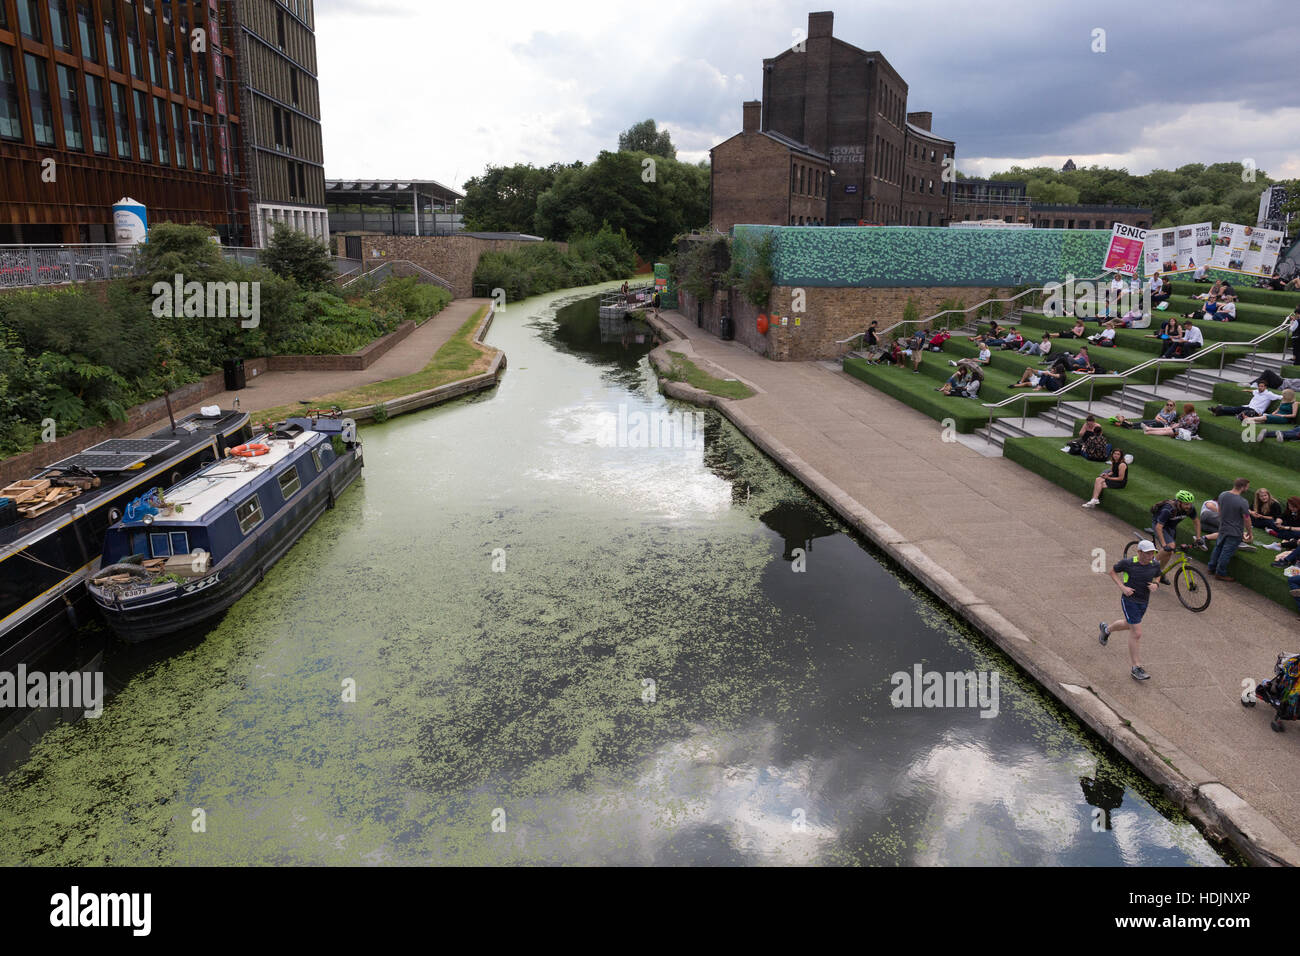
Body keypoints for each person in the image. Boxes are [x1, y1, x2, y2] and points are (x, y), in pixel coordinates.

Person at [1099, 539, 1162, 682]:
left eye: (1152, 553)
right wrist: (1123, 587)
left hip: (1144, 601)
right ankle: (1136, 667)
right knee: (1137, 632)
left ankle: (1106, 630)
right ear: (1139, 552)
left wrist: (1156, 584)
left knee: (1129, 624)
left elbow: (1158, 574)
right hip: (1129, 600)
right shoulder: (1128, 563)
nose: (1150, 556)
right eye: (1147, 553)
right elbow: (1112, 572)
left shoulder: (1154, 564)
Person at [1207, 478, 1253, 582]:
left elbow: (1219, 511)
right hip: (1235, 531)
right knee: (1226, 553)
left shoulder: (1223, 494)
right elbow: (1247, 518)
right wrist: (1250, 533)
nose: (1248, 488)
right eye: (1247, 487)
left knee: (1218, 548)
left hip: (1223, 528)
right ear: (1243, 487)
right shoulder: (1243, 502)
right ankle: (1220, 573)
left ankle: (1211, 568)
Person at [1150, 490, 1204, 579]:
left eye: (1190, 503)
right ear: (1179, 502)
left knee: (1170, 552)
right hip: (1159, 525)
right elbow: (1159, 527)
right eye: (1186, 504)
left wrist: (1198, 538)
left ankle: (1159, 572)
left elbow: (1196, 522)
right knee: (1170, 546)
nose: (1188, 506)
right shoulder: (1168, 509)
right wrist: (1164, 545)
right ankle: (1151, 565)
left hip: (1171, 527)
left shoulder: (1190, 509)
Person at [1211, 381, 1282, 419]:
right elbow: (1253, 391)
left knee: (1238, 410)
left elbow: (1280, 397)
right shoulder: (1257, 391)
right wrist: (1247, 390)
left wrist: (1288, 397)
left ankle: (1219, 409)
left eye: (1262, 386)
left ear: (1265, 387)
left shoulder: (1269, 394)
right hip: (1248, 407)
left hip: (1256, 411)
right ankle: (1218, 411)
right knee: (1235, 409)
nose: (1260, 388)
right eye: (1259, 386)